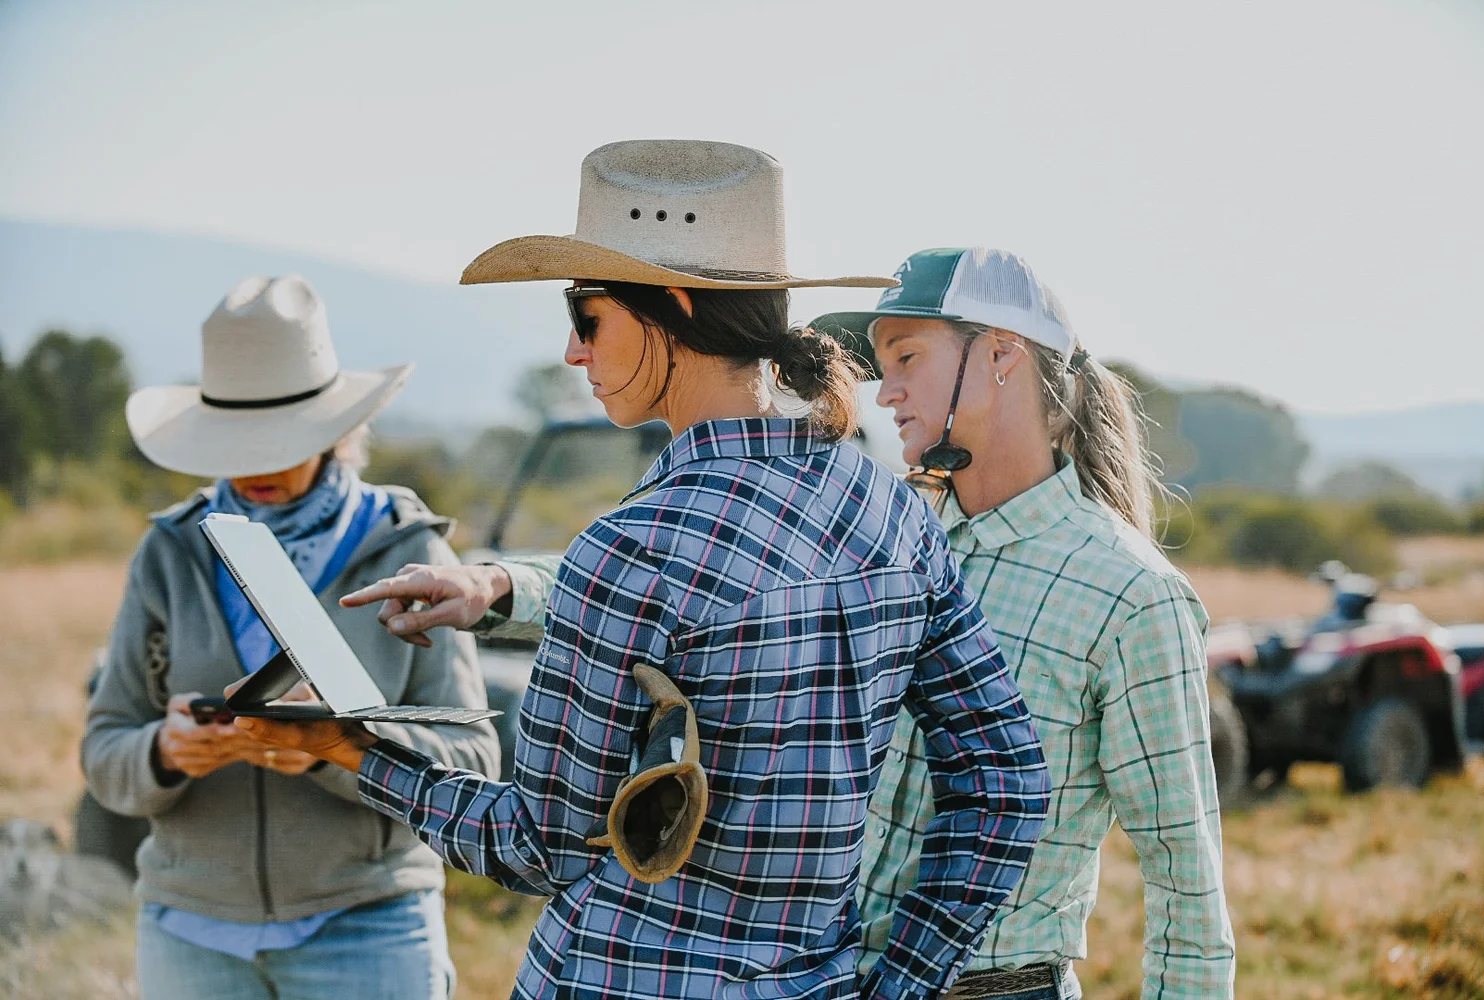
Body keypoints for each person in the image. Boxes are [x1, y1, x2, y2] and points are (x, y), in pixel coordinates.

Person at [234, 140, 1052, 1000]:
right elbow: (1005, 784)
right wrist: (902, 986)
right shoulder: (896, 514)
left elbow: (532, 848)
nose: (572, 352)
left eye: (585, 316)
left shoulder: (630, 547)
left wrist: (350, 748)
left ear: (669, 309)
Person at [812, 247, 1236, 999]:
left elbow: (1184, 877)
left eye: (906, 357)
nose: (886, 393)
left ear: (1001, 354)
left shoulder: (1132, 595)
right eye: (883, 367)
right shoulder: (894, 547)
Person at [82, 275, 500, 1000]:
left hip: (369, 927)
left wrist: (337, 749)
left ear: (338, 429)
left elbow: (472, 758)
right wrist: (164, 751)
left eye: (282, 441)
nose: (257, 465)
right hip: (189, 937)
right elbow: (105, 749)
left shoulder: (411, 553)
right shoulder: (170, 553)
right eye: (236, 442)